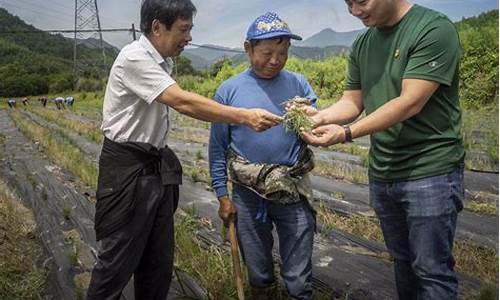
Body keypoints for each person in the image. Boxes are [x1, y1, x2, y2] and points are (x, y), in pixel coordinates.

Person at [86, 1, 282, 300]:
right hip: (127, 170)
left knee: (157, 260)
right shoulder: (134, 58)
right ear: (156, 27)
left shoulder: (164, 61)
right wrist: (244, 115)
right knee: (117, 259)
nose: (189, 37)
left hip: (155, 167)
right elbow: (182, 101)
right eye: (184, 29)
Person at [299, 1, 464, 299]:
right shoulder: (363, 42)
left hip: (429, 171)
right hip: (384, 172)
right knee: (402, 261)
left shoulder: (432, 29)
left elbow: (410, 102)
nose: (354, 11)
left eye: (361, 1)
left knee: (431, 269)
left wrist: (347, 133)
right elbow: (352, 102)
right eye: (348, 3)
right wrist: (320, 116)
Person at [209, 12, 316, 300]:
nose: (275, 60)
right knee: (258, 270)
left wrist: (313, 118)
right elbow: (218, 148)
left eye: (282, 53)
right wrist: (222, 194)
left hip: (292, 189)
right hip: (247, 192)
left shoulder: (299, 85)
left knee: (298, 274)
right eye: (267, 52)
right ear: (248, 49)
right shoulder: (229, 90)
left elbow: (316, 124)